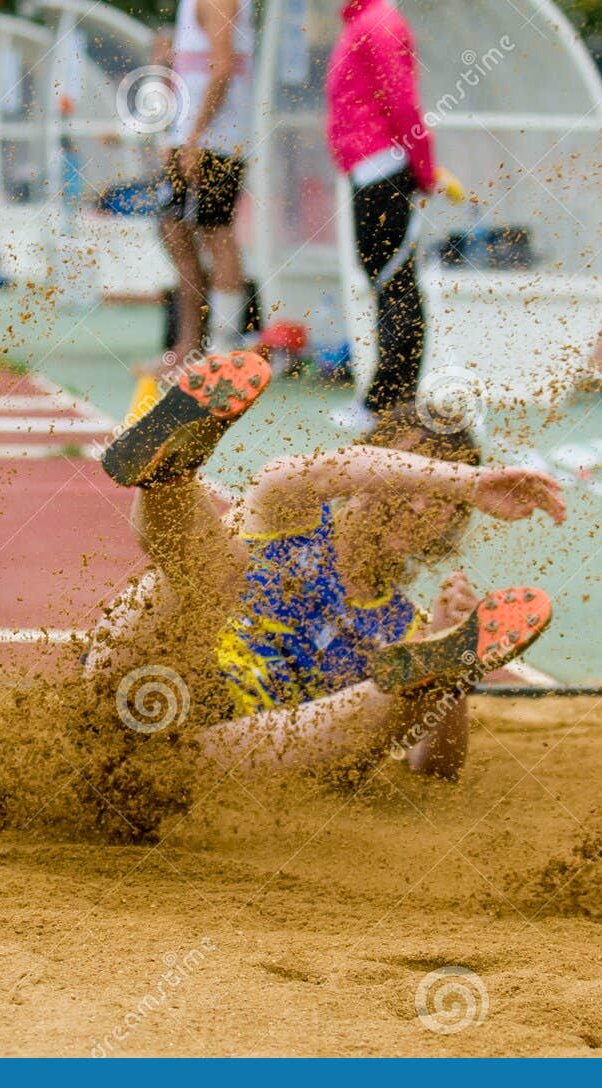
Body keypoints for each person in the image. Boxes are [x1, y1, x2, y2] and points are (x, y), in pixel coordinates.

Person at [87, 351, 565, 779]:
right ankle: (169, 471)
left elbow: (432, 766)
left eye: (441, 503)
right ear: (377, 467)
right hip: (133, 677)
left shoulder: (407, 627)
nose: (421, 507)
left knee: (387, 700)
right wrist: (468, 483)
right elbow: (301, 474)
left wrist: (454, 672)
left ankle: (428, 677)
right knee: (220, 569)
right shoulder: (288, 519)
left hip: (209, 761)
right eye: (418, 480)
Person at [325, 0, 460, 422]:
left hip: (384, 168)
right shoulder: (363, 21)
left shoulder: (378, 21)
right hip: (371, 169)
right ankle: (386, 400)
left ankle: (390, 403)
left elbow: (402, 102)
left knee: (395, 283)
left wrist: (423, 169)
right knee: (386, 281)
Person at [160, 0, 255, 367]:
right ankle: (190, 344)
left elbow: (223, 67)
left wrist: (194, 137)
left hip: (215, 141)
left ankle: (222, 347)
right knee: (176, 231)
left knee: (217, 234)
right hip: (196, 136)